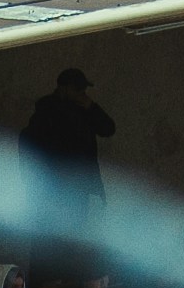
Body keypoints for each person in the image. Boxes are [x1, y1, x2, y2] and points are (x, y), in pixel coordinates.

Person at [18, 67, 116, 210]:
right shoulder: (47, 113)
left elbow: (108, 129)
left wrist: (91, 107)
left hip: (77, 189)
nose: (82, 93)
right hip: (55, 191)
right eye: (77, 88)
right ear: (64, 88)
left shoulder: (83, 112)